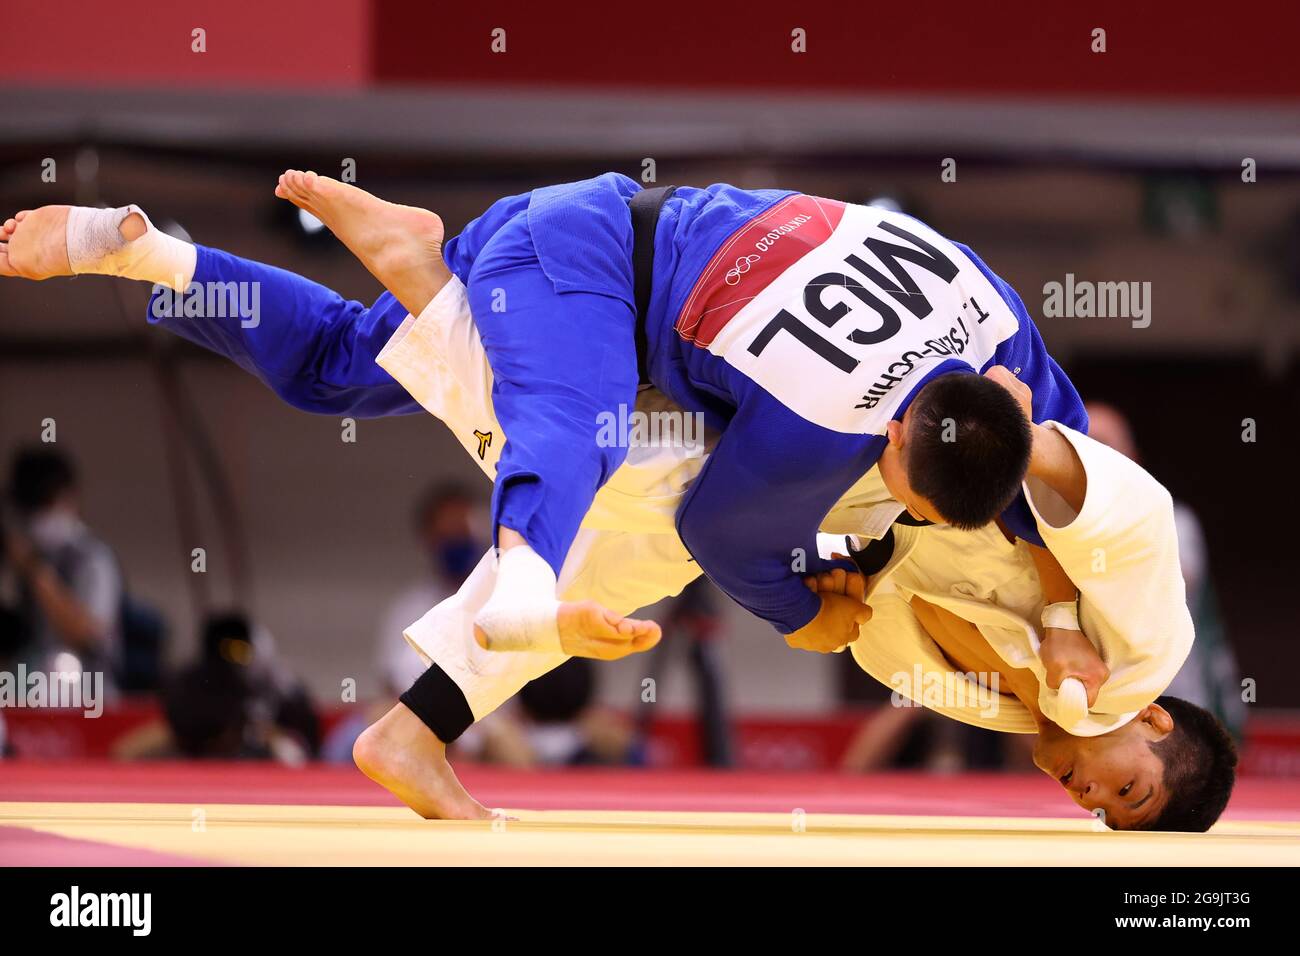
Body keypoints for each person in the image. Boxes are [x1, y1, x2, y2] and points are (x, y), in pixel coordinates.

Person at [2, 448, 123, 688]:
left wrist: (35, 569)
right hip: (31, 690)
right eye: (31, 509)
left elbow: (86, 633)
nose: (38, 518)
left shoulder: (93, 559)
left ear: (70, 497)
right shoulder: (27, 555)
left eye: (45, 505)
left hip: (89, 697)